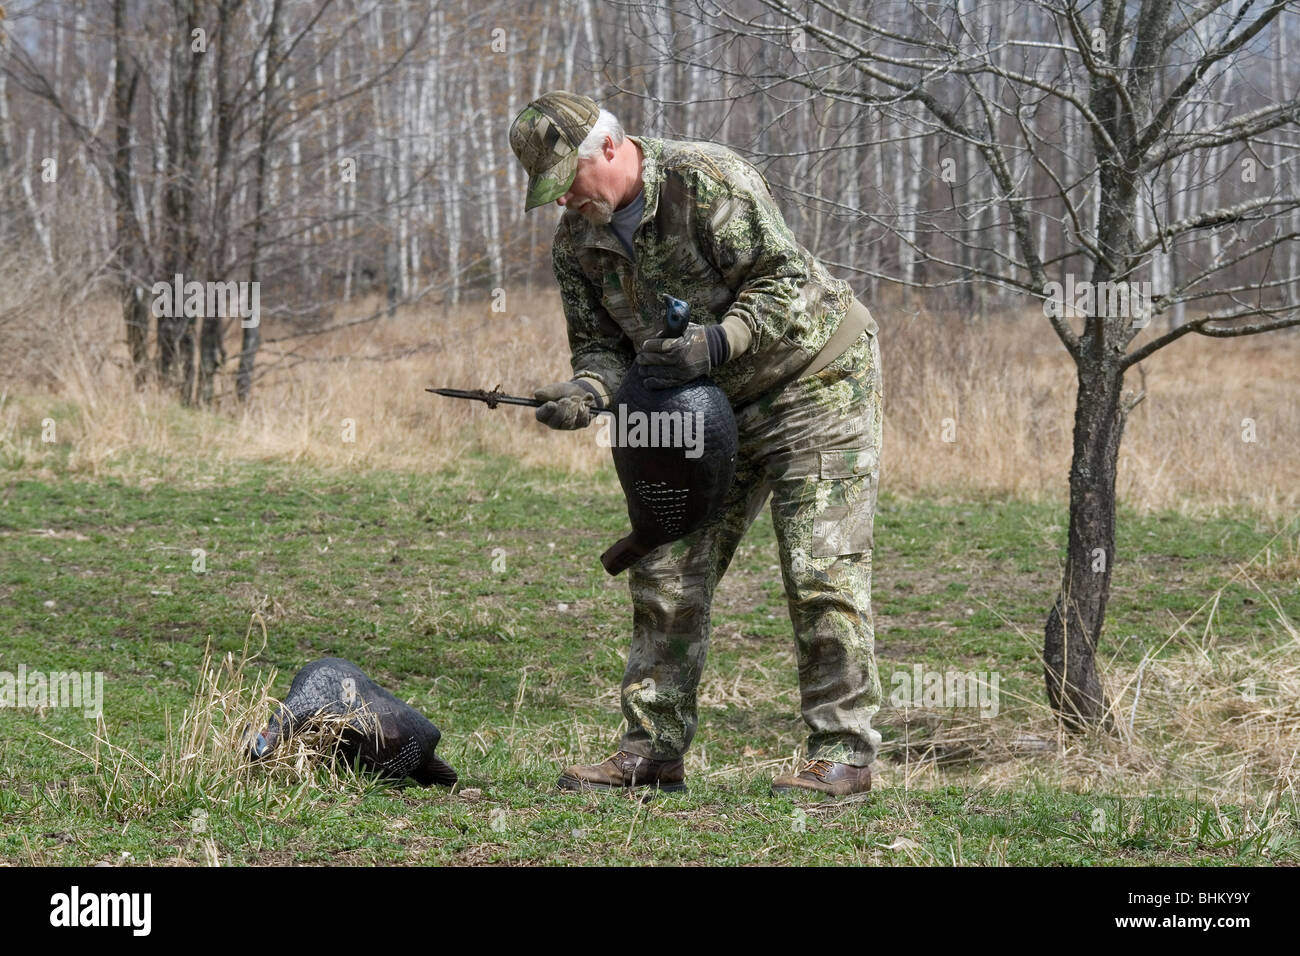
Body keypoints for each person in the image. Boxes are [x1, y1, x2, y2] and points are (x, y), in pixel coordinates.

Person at [508, 91, 884, 797]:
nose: (567, 205)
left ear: (611, 149)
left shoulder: (706, 179)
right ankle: (651, 751)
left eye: (571, 185)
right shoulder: (577, 244)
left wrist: (716, 342)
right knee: (666, 564)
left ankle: (843, 757)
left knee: (819, 568)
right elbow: (601, 347)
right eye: (552, 194)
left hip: (814, 379)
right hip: (702, 410)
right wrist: (583, 395)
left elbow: (782, 283)